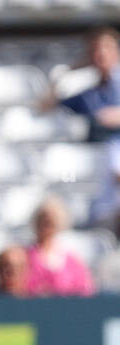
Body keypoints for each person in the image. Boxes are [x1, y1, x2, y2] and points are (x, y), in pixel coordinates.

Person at [46, 28, 120, 229]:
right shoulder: (86, 93)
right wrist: (70, 71)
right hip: (96, 168)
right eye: (95, 49)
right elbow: (46, 106)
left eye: (107, 48)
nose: (101, 54)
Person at [24, 196, 95, 297]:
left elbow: (84, 289)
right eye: (43, 222)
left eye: (50, 223)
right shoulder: (25, 257)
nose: (47, 228)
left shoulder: (72, 261)